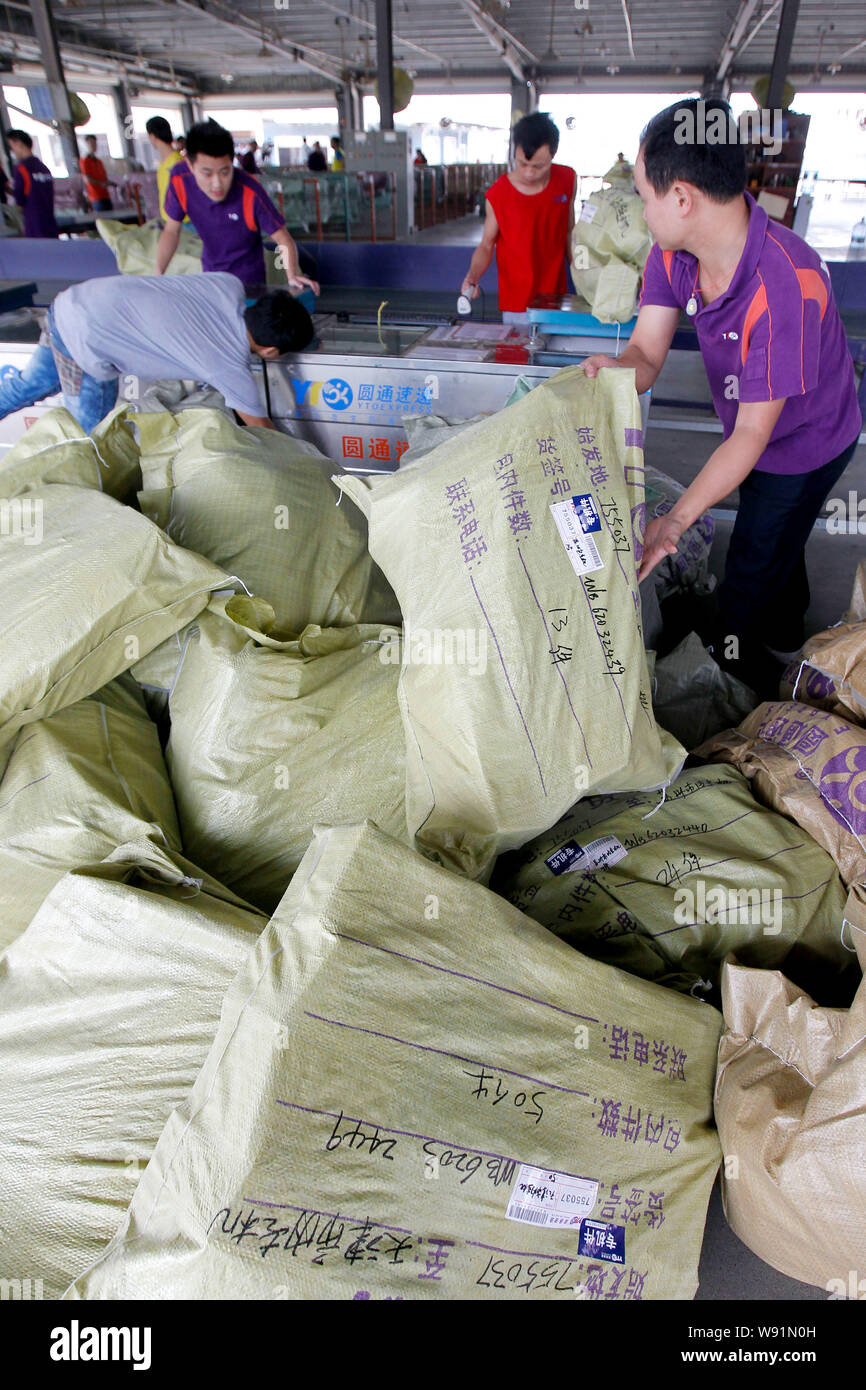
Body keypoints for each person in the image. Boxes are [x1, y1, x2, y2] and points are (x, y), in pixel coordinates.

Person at [583, 98, 862, 695]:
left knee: (751, 563)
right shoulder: (673, 254)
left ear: (681, 198)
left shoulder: (784, 284)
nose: (641, 209)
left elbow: (752, 438)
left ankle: (736, 683)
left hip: (807, 439)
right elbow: (647, 356)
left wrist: (675, 522)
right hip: (754, 427)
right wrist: (610, 375)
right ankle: (791, 632)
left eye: (643, 194)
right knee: (778, 541)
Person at [0, 275, 314, 433]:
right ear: (270, 350)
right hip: (89, 343)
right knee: (91, 446)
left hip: (71, 303)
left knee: (28, 387)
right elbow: (263, 430)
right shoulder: (227, 365)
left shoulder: (228, 285)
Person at [156, 119, 318, 295]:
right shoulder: (180, 180)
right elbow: (171, 231)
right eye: (207, 173)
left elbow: (282, 238)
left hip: (249, 282)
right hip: (212, 278)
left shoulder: (250, 191)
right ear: (190, 164)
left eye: (224, 172)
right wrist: (157, 276)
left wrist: (292, 275)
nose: (217, 184)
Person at [460, 112, 575, 319]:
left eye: (539, 166)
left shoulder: (567, 179)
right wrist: (472, 276)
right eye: (522, 164)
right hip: (516, 304)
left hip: (556, 298)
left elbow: (569, 234)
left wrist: (585, 277)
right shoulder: (499, 194)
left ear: (553, 154)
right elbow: (486, 245)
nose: (529, 173)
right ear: (514, 153)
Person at [6, 129, 58, 239]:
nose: (13, 152)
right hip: (51, 225)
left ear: (18, 143)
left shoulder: (22, 169)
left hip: (34, 227)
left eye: (12, 147)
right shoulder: (44, 169)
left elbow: (20, 202)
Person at [146, 115, 184, 222]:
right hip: (169, 222)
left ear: (152, 136)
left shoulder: (178, 163)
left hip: (182, 224)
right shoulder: (163, 165)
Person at [79, 134, 113, 212]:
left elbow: (104, 177)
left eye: (94, 143)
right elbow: (87, 179)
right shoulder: (84, 161)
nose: (93, 145)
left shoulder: (98, 161)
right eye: (91, 143)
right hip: (96, 197)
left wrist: (108, 183)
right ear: (86, 145)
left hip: (105, 195)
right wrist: (101, 184)